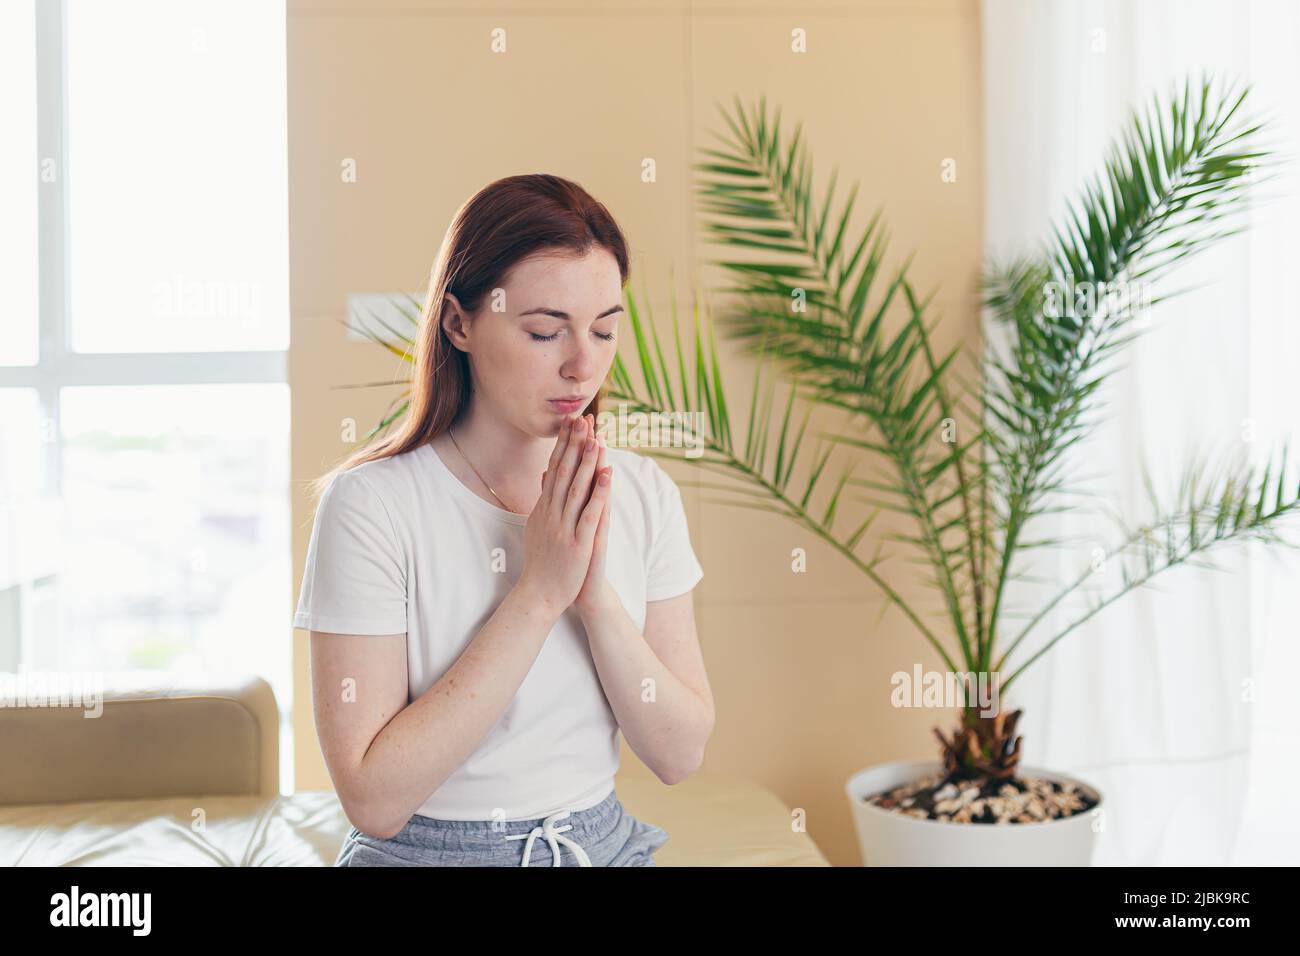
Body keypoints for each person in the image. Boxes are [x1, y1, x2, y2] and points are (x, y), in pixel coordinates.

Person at [293, 173, 712, 866]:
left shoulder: (644, 494)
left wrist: (594, 599)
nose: (584, 364)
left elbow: (680, 752)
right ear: (459, 322)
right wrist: (539, 592)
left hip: (600, 847)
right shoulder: (372, 507)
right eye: (546, 331)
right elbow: (373, 797)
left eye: (605, 329)